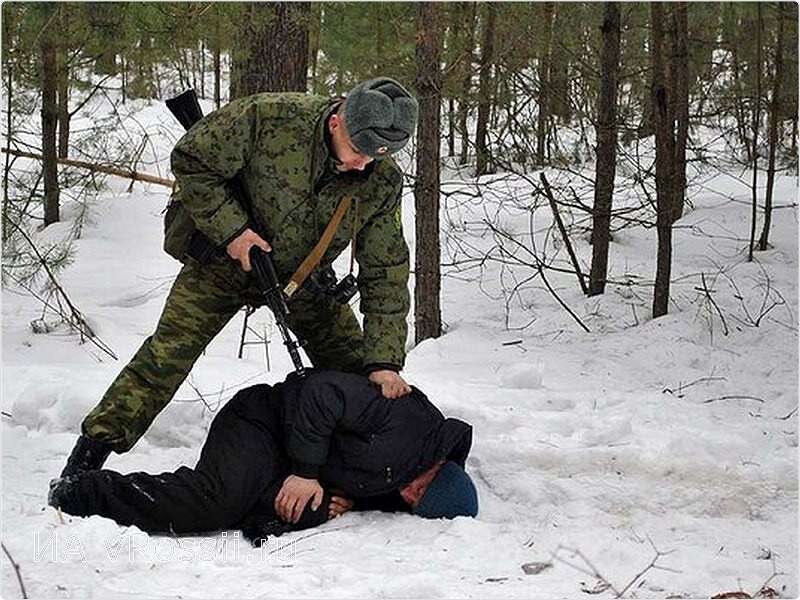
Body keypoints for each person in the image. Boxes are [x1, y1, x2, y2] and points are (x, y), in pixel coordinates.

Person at [59, 77, 420, 478]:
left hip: (301, 281)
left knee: (357, 374)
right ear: (337, 121)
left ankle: (364, 470)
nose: (362, 164)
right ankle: (90, 454)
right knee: (165, 357)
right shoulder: (269, 116)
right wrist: (233, 232)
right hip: (221, 265)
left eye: (374, 157)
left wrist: (384, 361)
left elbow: (385, 268)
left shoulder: (381, 179)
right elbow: (192, 161)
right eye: (358, 151)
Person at [48, 371, 478, 545]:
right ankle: (83, 491)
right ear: (442, 464)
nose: (407, 492)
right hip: (261, 422)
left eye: (413, 502)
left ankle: (249, 508)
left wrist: (350, 499)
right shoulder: (406, 416)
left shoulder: (407, 481)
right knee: (216, 502)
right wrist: (308, 473)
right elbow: (319, 394)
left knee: (303, 511)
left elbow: (380, 480)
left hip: (286, 462)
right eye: (420, 486)